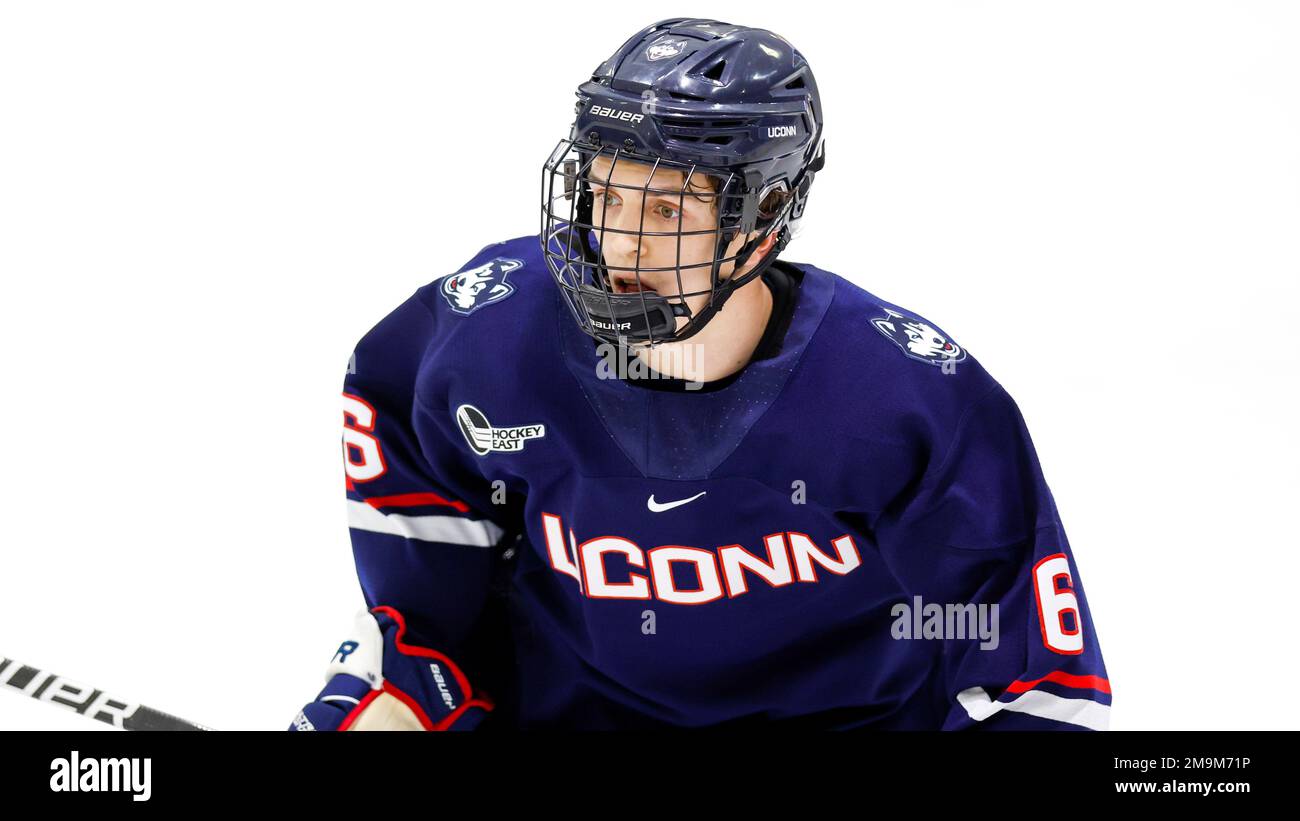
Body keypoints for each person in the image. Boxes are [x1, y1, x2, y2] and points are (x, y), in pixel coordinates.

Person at [290, 17, 1110, 731]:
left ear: (759, 226)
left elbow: (1046, 684)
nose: (622, 247)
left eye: (665, 211)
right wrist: (401, 702)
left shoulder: (906, 402)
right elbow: (429, 619)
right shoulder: (485, 340)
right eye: (607, 198)